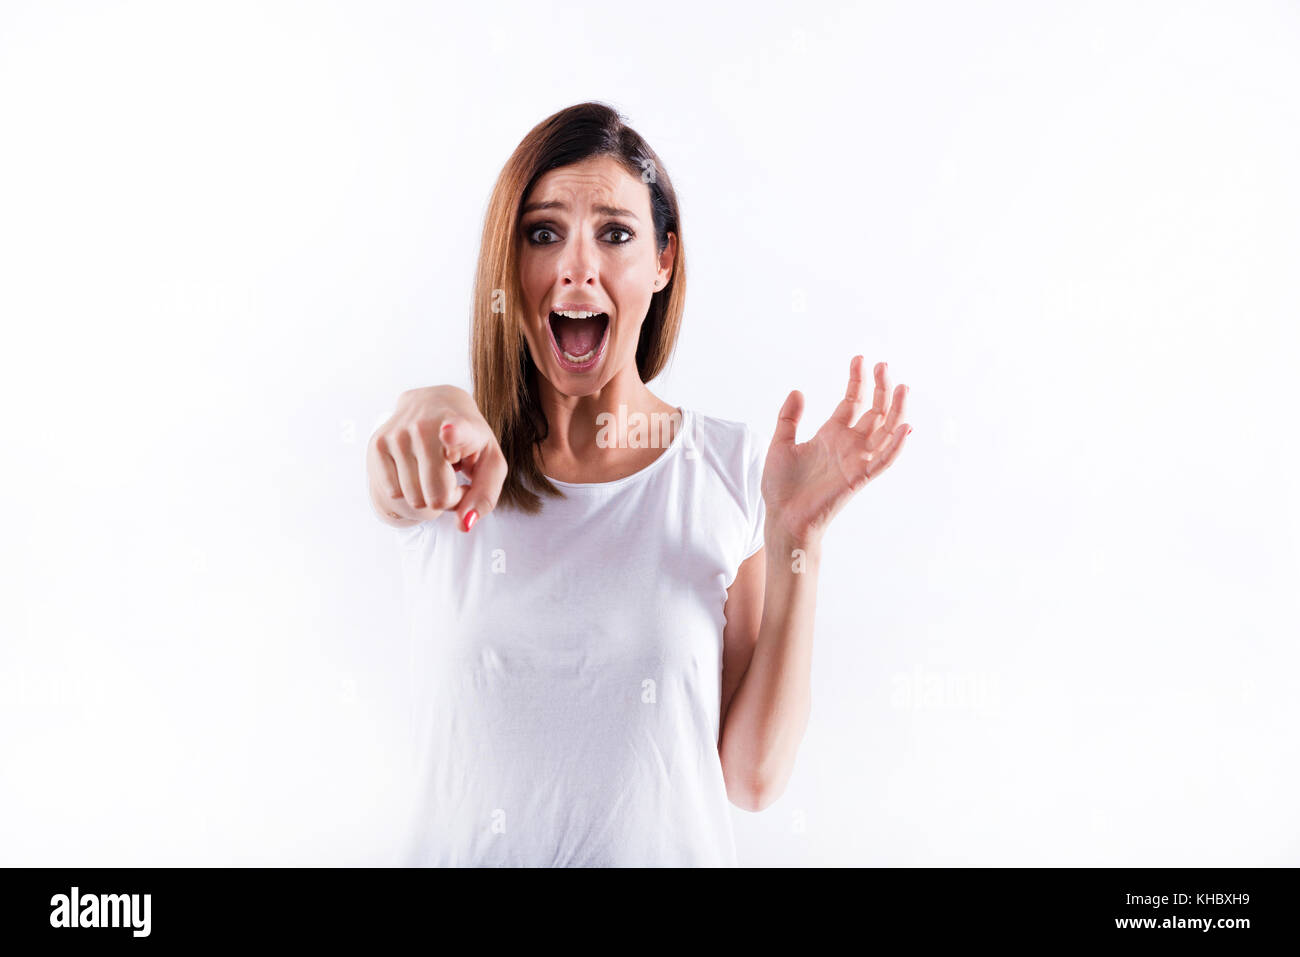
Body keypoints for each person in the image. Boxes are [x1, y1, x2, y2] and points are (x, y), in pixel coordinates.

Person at [365, 101, 911, 866]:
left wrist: (797, 541)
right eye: (543, 232)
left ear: (663, 262)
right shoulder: (450, 462)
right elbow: (397, 464)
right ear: (508, 262)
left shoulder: (726, 471)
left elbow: (751, 777)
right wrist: (429, 405)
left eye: (615, 233)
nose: (576, 266)